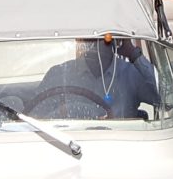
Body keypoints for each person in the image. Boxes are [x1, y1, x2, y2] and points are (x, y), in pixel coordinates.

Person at [34, 38, 163, 120]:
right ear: (80, 40)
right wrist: (66, 111)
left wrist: (133, 54)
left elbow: (169, 100)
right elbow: (36, 117)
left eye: (103, 38)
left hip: (120, 149)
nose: (95, 45)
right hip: (70, 148)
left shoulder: (131, 73)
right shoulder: (60, 74)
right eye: (89, 38)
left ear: (115, 41)